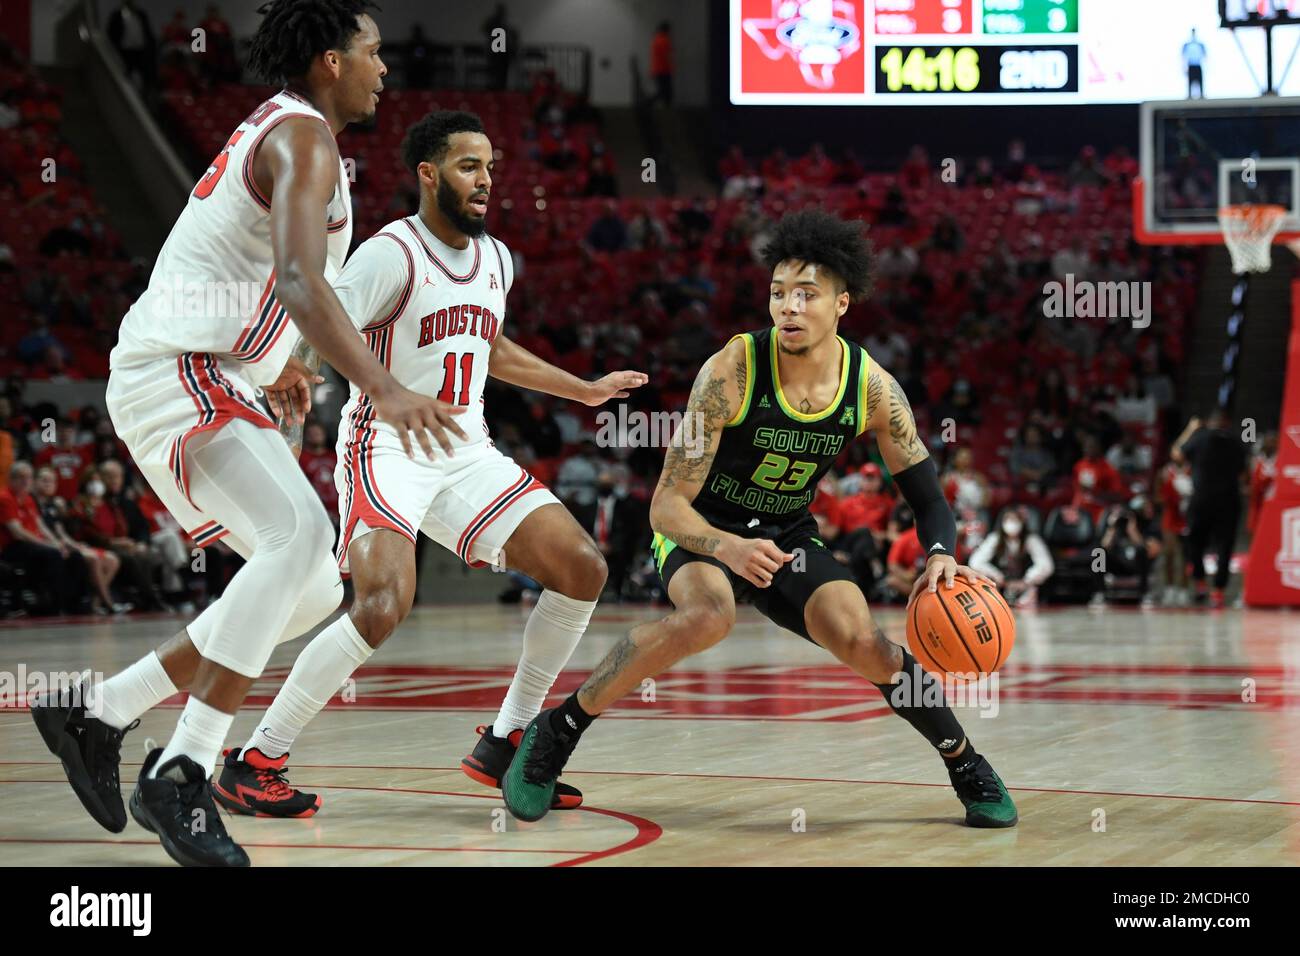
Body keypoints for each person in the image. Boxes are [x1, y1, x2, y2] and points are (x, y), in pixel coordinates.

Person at [31, 0, 462, 868]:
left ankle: (102, 710)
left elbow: (265, 282)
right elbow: (302, 281)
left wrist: (281, 365)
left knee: (304, 592)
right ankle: (184, 767)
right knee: (297, 539)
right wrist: (377, 383)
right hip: (178, 368)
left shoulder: (301, 139)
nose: (385, 69)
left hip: (215, 371)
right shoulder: (301, 139)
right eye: (373, 52)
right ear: (333, 62)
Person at [501, 210, 1017, 830]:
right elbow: (665, 506)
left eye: (807, 294)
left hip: (786, 535)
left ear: (842, 304)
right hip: (701, 525)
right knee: (708, 614)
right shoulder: (733, 370)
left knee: (864, 641)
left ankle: (965, 761)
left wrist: (939, 551)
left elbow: (929, 497)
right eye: (778, 293)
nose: (788, 307)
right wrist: (725, 547)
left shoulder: (872, 388)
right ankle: (554, 733)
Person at [213, 110, 646, 820]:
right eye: (469, 167)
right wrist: (290, 368)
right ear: (428, 173)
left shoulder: (497, 258)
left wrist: (583, 388)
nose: (485, 182)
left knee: (583, 567)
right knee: (383, 605)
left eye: (490, 168)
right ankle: (257, 757)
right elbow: (324, 319)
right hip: (385, 447)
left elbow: (492, 348)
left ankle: (505, 740)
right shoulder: (391, 253)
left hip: (466, 450)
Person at [1173, 410, 1247, 608]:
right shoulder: (1235, 441)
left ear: (1208, 423)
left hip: (1202, 499)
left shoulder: (1199, 437)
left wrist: (1190, 429)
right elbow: (1243, 473)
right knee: (1225, 545)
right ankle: (1218, 592)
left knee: (1195, 541)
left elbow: (1176, 454)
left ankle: (1200, 583)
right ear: (1227, 423)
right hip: (1229, 501)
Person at [34, 466, 128, 615]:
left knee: (112, 560)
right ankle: (108, 602)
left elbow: (61, 532)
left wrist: (74, 545)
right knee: (94, 558)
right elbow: (41, 530)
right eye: (44, 480)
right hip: (48, 546)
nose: (48, 484)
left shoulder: (52, 505)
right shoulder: (33, 503)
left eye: (51, 481)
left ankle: (95, 603)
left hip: (64, 544)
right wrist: (63, 545)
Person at [0, 461, 84, 614]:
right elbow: (17, 532)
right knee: (52, 554)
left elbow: (41, 526)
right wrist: (50, 546)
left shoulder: (28, 498)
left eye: (29, 478)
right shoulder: (5, 498)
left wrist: (58, 544)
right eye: (21, 477)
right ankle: (54, 606)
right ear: (11, 479)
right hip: (12, 547)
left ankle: (73, 604)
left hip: (33, 545)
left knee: (74, 556)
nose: (26, 481)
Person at [968, 507, 1053, 609]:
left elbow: (1046, 565)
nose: (1011, 524)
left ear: (1022, 523)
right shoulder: (995, 538)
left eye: (1015, 520)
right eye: (1008, 520)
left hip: (1025, 585)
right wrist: (998, 577)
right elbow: (976, 562)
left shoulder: (1031, 539)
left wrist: (1026, 581)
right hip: (999, 585)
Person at [649, 22, 673, 107]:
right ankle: (648, 102)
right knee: (666, 91)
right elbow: (666, 55)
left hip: (657, 69)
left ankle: (649, 102)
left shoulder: (656, 39)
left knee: (663, 91)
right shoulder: (665, 40)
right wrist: (671, 65)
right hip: (664, 69)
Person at [1182, 28, 1206, 99]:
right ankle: (1189, 95)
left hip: (1198, 65)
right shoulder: (1187, 44)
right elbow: (1183, 56)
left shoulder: (1200, 44)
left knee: (1200, 81)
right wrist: (1184, 67)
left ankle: (1201, 95)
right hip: (1191, 65)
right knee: (1190, 82)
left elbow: (1205, 55)